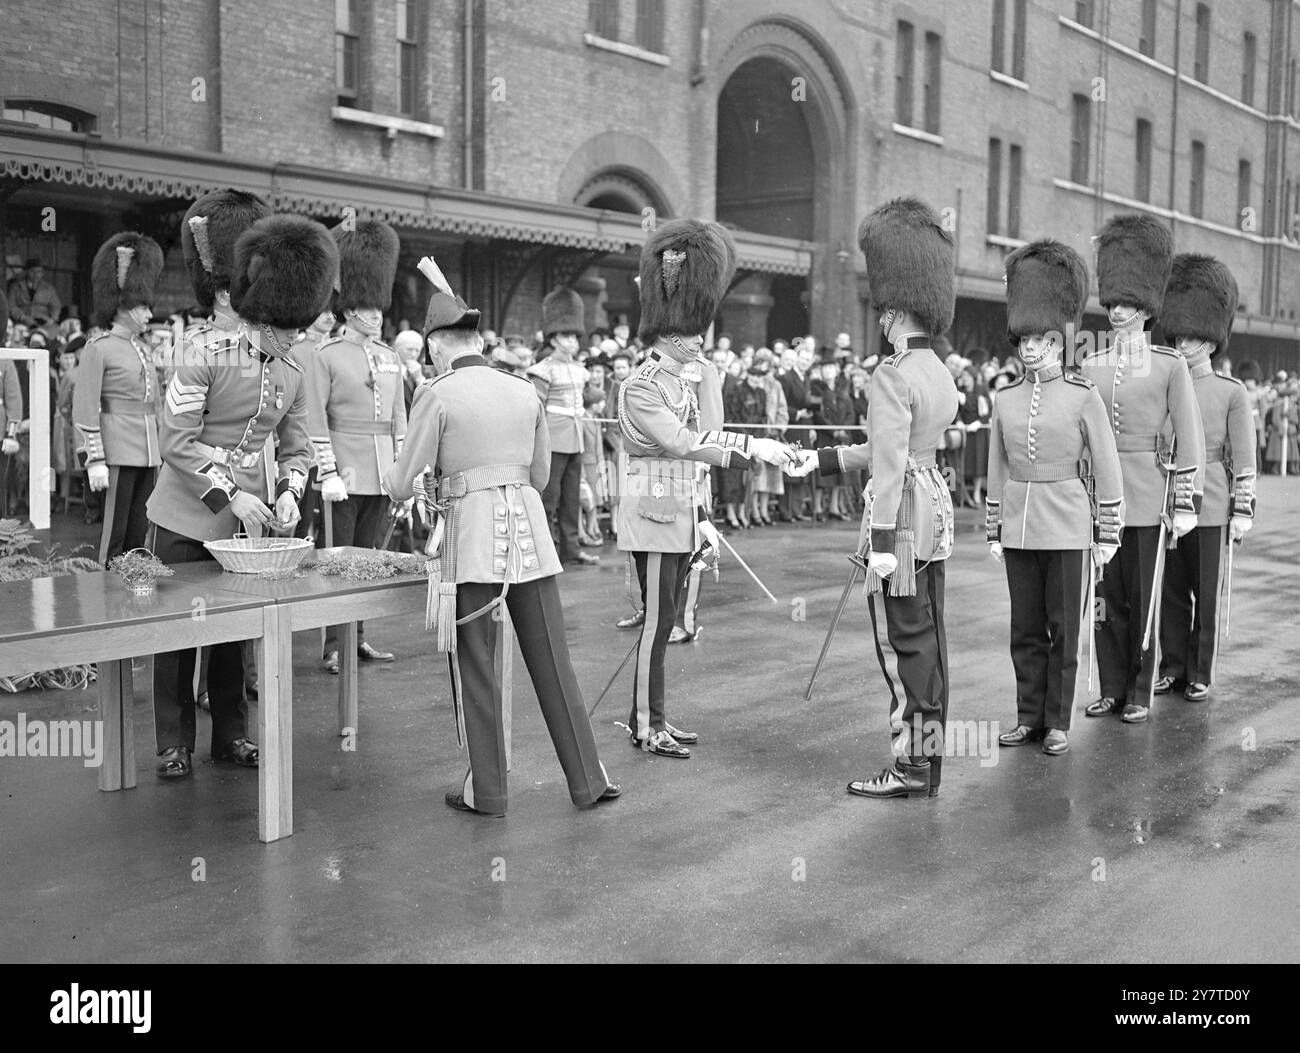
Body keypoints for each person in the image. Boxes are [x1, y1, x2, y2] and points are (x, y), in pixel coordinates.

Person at [383, 257, 620, 816]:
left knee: (479, 669)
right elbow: (540, 476)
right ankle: (588, 781)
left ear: (436, 346)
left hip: (472, 545)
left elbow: (399, 483)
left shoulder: (435, 393)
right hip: (531, 541)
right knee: (554, 663)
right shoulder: (522, 388)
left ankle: (488, 792)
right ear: (478, 340)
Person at [147, 214, 331, 779]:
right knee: (178, 630)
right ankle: (173, 743)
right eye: (289, 328)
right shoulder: (202, 351)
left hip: (245, 520)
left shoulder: (293, 370)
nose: (297, 338)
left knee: (234, 632)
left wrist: (291, 492)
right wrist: (230, 495)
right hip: (186, 511)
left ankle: (230, 734)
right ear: (263, 317)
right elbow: (176, 442)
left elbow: (297, 447)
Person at [617, 218, 797, 758]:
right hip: (653, 513)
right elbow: (681, 443)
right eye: (695, 331)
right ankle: (646, 725)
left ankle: (653, 717)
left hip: (681, 509)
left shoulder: (685, 379)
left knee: (667, 620)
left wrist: (705, 512)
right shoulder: (641, 386)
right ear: (670, 331)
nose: (702, 339)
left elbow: (708, 433)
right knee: (657, 625)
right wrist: (751, 449)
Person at [801, 198, 959, 800]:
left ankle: (910, 764)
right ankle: (928, 761)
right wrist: (827, 458)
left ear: (892, 311)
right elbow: (893, 446)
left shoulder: (892, 372)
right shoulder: (936, 369)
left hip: (903, 522)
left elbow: (891, 463)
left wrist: (884, 541)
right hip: (933, 507)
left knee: (902, 644)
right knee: (930, 641)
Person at [986, 241, 1124, 756]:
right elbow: (996, 467)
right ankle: (1028, 716)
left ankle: (1057, 721)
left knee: (1064, 629)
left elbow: (1106, 466)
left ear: (1057, 340)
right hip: (1020, 525)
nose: (1029, 347)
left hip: (1067, 523)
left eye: (1039, 339)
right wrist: (995, 526)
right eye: (1023, 338)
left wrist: (1107, 530)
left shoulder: (1082, 395)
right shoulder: (1005, 398)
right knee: (1025, 628)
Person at [1081, 214, 1204, 725]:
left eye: (1126, 303)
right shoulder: (1091, 365)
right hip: (1102, 498)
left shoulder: (1169, 365)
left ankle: (1138, 689)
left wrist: (1185, 501)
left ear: (1146, 309)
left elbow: (1189, 436)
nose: (1116, 311)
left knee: (1143, 596)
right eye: (1112, 302)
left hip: (1149, 493)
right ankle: (1111, 686)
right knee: (1106, 598)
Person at [1155, 254, 1257, 703]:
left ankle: (1201, 671)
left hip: (1212, 501)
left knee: (1206, 595)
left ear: (1212, 342)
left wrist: (1242, 509)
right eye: (1179, 335)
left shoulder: (1231, 392)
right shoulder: (1164, 384)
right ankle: (1173, 666)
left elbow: (1244, 456)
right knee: (1172, 593)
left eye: (1193, 336)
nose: (1183, 343)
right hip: (1169, 497)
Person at [306, 220, 405, 673]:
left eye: (378, 307)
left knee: (368, 560)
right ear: (347, 310)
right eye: (367, 307)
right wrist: (327, 470)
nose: (376, 315)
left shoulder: (390, 357)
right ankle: (333, 644)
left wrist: (405, 470)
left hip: (381, 471)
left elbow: (399, 419)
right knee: (338, 559)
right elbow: (316, 417)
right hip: (343, 471)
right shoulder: (326, 355)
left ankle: (358, 637)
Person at [72, 232, 165, 564]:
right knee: (114, 533)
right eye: (143, 307)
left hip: (148, 450)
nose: (148, 314)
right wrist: (94, 458)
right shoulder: (99, 348)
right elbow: (85, 407)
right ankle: (105, 588)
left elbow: (155, 405)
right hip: (116, 449)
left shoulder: (143, 349)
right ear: (123, 306)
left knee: (139, 531)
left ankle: (133, 583)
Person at [528, 288, 598, 566]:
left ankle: (571, 548)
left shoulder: (580, 370)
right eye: (567, 336)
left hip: (576, 438)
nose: (572, 341)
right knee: (549, 498)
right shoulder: (543, 369)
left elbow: (588, 397)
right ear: (554, 338)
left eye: (574, 336)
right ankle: (547, 549)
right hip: (553, 440)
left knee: (571, 498)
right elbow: (536, 409)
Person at [6, 258, 62, 339]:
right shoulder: (16, 287)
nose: (36, 275)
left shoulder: (48, 288)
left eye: (39, 272)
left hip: (44, 323)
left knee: (53, 334)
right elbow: (11, 306)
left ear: (42, 273)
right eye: (32, 271)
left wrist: (52, 319)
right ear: (27, 271)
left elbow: (56, 306)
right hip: (22, 322)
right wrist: (23, 317)